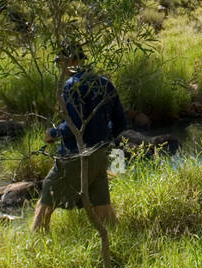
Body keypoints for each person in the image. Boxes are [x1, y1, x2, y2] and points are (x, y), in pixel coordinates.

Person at [31, 42, 129, 233]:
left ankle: (34, 243)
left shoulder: (71, 85)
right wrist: (102, 138)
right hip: (99, 155)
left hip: (73, 157)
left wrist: (52, 134)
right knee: (103, 209)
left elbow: (74, 125)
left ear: (72, 61)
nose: (60, 67)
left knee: (45, 200)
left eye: (61, 62)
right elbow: (121, 124)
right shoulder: (105, 83)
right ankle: (118, 244)